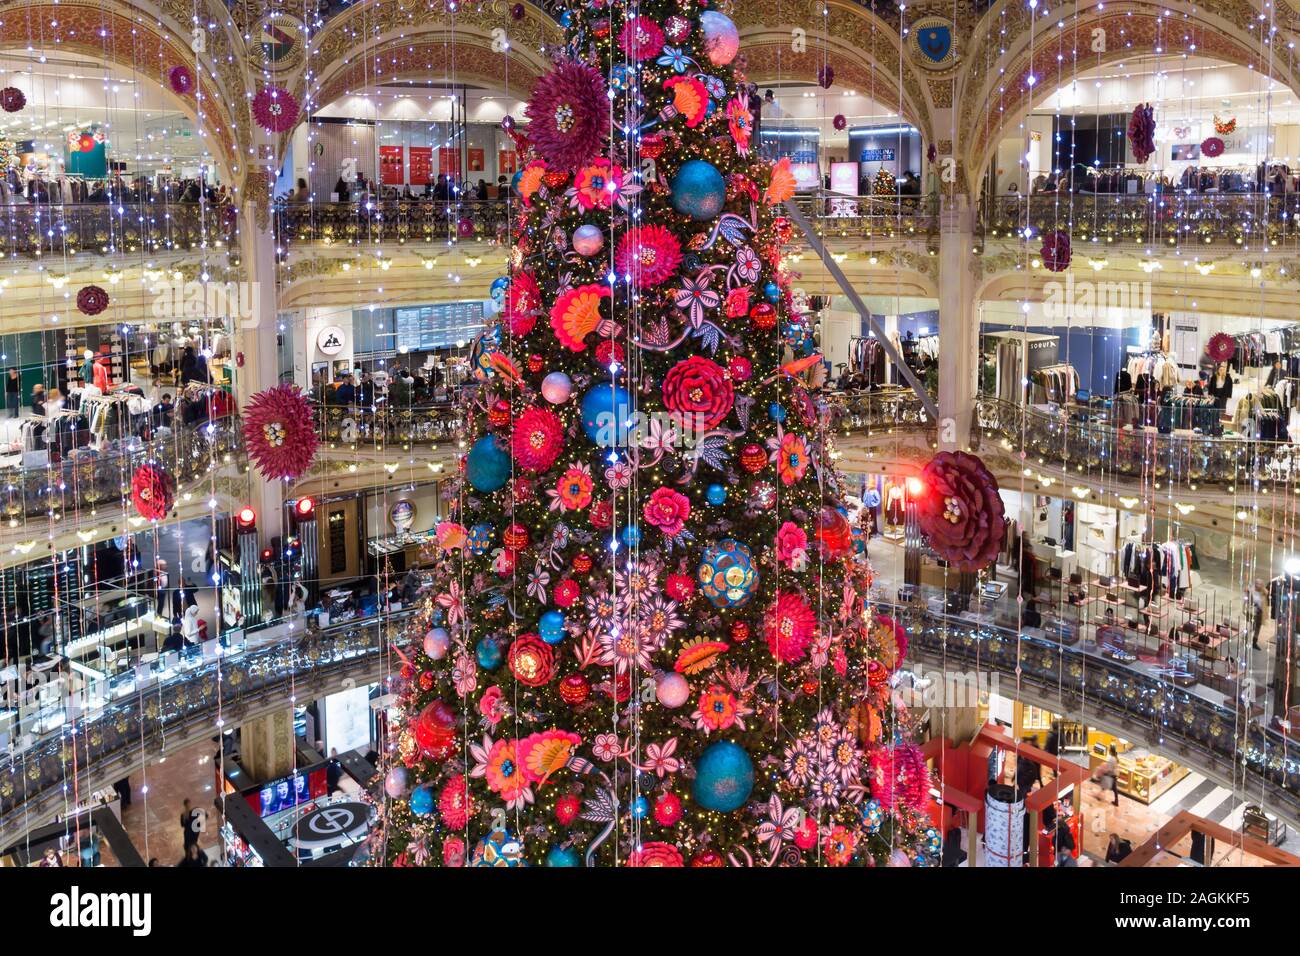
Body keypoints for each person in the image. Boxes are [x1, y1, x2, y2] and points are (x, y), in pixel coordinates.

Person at [1249, 580, 1265, 650]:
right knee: (1252, 626)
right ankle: (1246, 638)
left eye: (1260, 584)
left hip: (1260, 612)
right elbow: (1249, 601)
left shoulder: (1263, 591)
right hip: (1253, 611)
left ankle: (1254, 642)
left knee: (1258, 627)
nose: (1259, 585)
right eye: (1257, 583)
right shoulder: (1251, 591)